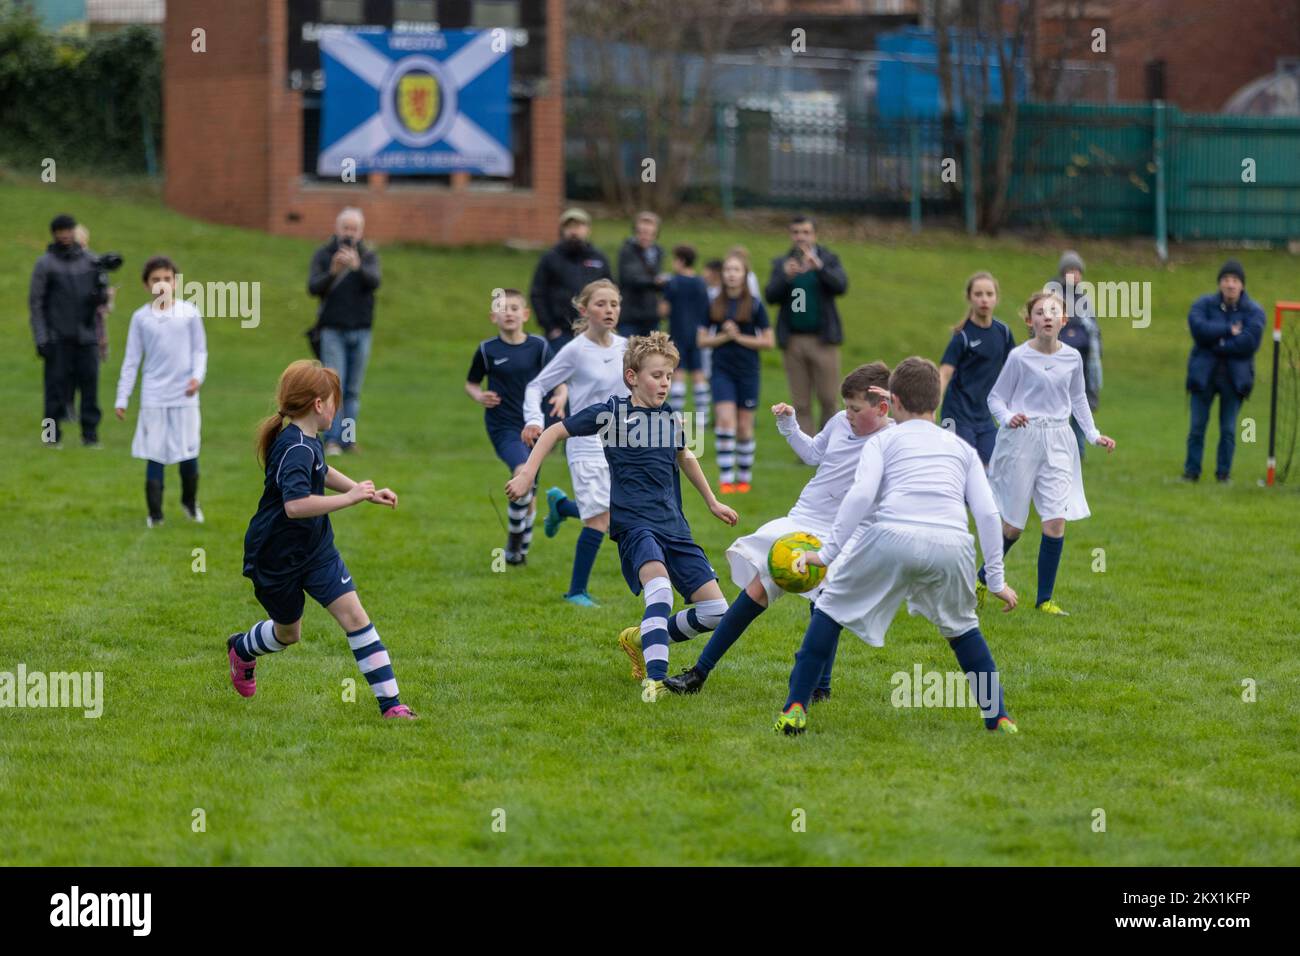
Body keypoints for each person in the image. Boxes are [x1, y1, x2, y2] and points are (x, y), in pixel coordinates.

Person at [773, 358, 1018, 736]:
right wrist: (996, 580)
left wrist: (824, 555)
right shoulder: (962, 448)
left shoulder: (884, 439)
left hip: (892, 536)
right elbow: (987, 514)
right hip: (952, 543)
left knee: (829, 610)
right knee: (964, 631)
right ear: (937, 401)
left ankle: (795, 708)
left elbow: (859, 497)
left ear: (894, 402)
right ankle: (998, 715)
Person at [506, 332, 739, 702]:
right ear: (632, 377)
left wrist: (712, 501)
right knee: (659, 590)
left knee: (716, 611)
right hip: (635, 525)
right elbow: (554, 431)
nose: (665, 383)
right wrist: (526, 473)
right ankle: (656, 681)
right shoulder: (610, 413)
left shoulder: (672, 418)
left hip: (674, 525)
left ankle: (639, 635)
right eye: (657, 375)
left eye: (669, 376)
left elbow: (685, 456)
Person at [664, 362, 893, 698]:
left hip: (845, 534)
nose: (848, 415)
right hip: (804, 518)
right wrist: (789, 425)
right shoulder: (840, 423)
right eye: (846, 407)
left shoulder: (894, 440)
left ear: (883, 407)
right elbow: (813, 454)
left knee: (825, 603)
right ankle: (698, 673)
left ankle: (821, 687)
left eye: (856, 409)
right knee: (757, 589)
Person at [229, 359, 414, 720]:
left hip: (316, 551)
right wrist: (351, 498)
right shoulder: (295, 447)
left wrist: (366, 492)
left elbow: (323, 471)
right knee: (288, 635)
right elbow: (296, 506)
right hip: (275, 557)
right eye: (333, 400)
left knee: (356, 618)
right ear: (318, 404)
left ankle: (392, 705)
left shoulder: (308, 441)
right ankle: (241, 649)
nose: (337, 407)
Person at [977, 292, 1116, 616]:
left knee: (1055, 521)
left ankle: (1045, 600)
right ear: (1030, 321)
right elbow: (995, 399)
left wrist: (1094, 435)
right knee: (1013, 527)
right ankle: (984, 578)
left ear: (1064, 320)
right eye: (1040, 312)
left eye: (1054, 311)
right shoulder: (1019, 357)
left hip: (1058, 441)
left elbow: (1079, 399)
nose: (1047, 316)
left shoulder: (1072, 358)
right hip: (1023, 440)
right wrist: (1009, 417)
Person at [523, 280, 628, 607]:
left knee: (617, 512)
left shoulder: (627, 346)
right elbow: (536, 387)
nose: (609, 310)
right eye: (601, 304)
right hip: (583, 441)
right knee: (601, 519)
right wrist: (535, 420)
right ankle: (576, 592)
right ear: (584, 310)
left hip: (620, 441)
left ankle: (561, 507)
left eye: (614, 303)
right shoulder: (575, 350)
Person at [465, 288, 561, 565]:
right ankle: (514, 545)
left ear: (526, 315)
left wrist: (562, 394)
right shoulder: (487, 350)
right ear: (493, 316)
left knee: (529, 491)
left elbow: (559, 376)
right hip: (503, 426)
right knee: (522, 474)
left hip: (535, 427)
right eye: (503, 308)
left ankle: (520, 551)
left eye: (515, 308)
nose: (509, 312)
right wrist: (479, 396)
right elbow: (471, 383)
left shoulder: (540, 346)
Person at [113, 256, 208, 527]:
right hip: (154, 397)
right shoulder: (141, 318)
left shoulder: (189, 313)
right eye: (156, 280)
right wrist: (122, 398)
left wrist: (196, 378)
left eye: (167, 279)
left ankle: (190, 504)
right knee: (155, 453)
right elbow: (132, 360)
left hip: (185, 396)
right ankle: (155, 515)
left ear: (175, 282)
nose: (162, 284)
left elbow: (200, 350)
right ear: (146, 285)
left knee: (188, 452)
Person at [1182, 259, 1266, 483]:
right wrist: (1229, 330)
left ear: (1242, 285)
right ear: (1220, 283)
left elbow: (1249, 342)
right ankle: (1191, 472)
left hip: (1234, 379)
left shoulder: (1254, 311)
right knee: (1197, 428)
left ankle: (1223, 474)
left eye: (1235, 280)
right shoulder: (1203, 305)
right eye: (1226, 280)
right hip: (1203, 376)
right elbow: (1199, 329)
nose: (1230, 285)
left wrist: (1218, 344)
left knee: (1228, 430)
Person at [307, 207, 381, 456]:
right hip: (332, 330)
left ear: (361, 232)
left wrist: (357, 266)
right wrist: (334, 272)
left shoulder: (368, 255)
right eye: (345, 228)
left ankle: (348, 439)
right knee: (332, 387)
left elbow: (374, 282)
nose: (349, 233)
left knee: (352, 390)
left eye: (354, 229)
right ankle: (332, 440)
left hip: (361, 330)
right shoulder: (324, 254)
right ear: (337, 229)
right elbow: (313, 287)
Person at [764, 215, 849, 432]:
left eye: (805, 232)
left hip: (823, 339)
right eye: (796, 232)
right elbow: (770, 296)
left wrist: (819, 268)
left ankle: (830, 446)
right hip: (794, 340)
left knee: (829, 398)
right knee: (800, 402)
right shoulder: (783, 263)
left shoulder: (828, 259)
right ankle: (806, 450)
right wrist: (785, 277)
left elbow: (841, 286)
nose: (801, 237)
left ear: (814, 234)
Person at [698, 251, 774, 494]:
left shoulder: (754, 304)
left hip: (748, 371)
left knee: (744, 427)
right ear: (722, 275)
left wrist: (738, 337)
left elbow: (768, 341)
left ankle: (743, 479)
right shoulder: (712, 304)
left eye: (736, 270)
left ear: (744, 275)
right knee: (725, 421)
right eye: (728, 270)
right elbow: (701, 340)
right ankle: (725, 480)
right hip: (721, 370)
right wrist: (723, 336)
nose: (731, 274)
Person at [29, 213, 106, 447]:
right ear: (53, 233)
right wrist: (41, 337)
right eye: (60, 230)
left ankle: (90, 435)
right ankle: (50, 436)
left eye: (68, 230)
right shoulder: (45, 264)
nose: (64, 235)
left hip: (86, 337)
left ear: (75, 231)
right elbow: (36, 303)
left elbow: (99, 300)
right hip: (57, 338)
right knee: (54, 390)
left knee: (90, 388)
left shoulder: (91, 261)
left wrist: (102, 286)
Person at [938, 272, 1016, 466]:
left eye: (989, 294)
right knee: (959, 467)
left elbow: (1015, 370)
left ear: (996, 298)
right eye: (978, 294)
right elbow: (944, 373)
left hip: (984, 415)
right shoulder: (962, 337)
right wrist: (932, 406)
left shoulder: (1003, 332)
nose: (984, 299)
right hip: (956, 414)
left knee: (992, 468)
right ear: (969, 297)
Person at [529, 208, 612, 351]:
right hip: (560, 335)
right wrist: (550, 328)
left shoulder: (599, 258)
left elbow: (611, 293)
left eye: (579, 226)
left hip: (593, 333)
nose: (574, 231)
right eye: (569, 227)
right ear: (562, 230)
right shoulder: (550, 258)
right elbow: (537, 293)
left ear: (588, 229)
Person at [1048, 251, 1103, 458]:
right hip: (1057, 360)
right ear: (1063, 272)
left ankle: (1079, 451)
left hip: (1083, 361)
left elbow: (1095, 330)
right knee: (1059, 406)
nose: (1075, 275)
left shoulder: (1084, 298)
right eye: (1071, 270)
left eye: (1078, 271)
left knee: (1082, 404)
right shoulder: (1052, 295)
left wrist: (1098, 354)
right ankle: (1058, 449)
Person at [661, 244, 711, 424]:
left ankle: (676, 415)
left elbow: (664, 310)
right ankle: (703, 418)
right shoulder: (700, 283)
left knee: (678, 372)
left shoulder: (673, 282)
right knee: (698, 373)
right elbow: (707, 308)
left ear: (681, 260)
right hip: (697, 334)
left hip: (678, 331)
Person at [616, 211, 666, 337]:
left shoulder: (657, 252)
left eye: (650, 233)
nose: (645, 237)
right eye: (642, 232)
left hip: (651, 315)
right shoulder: (627, 251)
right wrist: (655, 281)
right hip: (630, 316)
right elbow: (631, 278)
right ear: (635, 232)